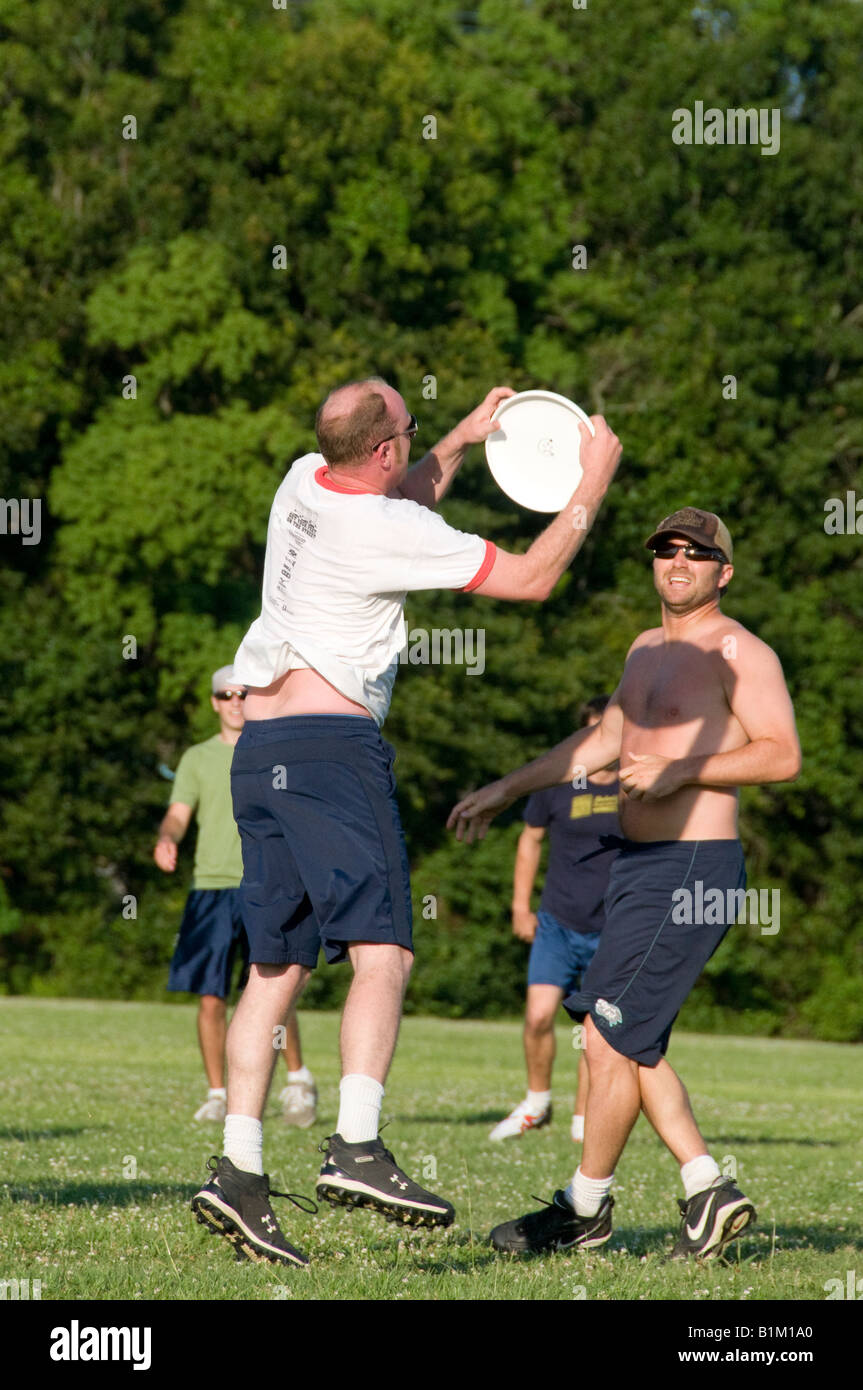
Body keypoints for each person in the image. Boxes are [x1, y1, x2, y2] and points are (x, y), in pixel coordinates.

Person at [190, 377, 622, 1267]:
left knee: (273, 968)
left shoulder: (303, 478)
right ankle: (354, 1145)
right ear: (383, 449)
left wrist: (460, 440)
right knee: (383, 953)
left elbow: (400, 494)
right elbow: (534, 578)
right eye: (411, 433)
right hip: (329, 751)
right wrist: (592, 479)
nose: (415, 447)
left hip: (257, 755)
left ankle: (237, 1170)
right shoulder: (389, 528)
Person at [449, 508, 801, 1260]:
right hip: (635, 867)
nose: (677, 562)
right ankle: (706, 1189)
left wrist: (680, 768)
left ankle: (585, 1209)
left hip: (692, 866)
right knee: (619, 1037)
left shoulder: (740, 650)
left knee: (609, 1031)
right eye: (666, 551)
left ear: (722, 571)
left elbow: (779, 755)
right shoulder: (643, 650)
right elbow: (601, 742)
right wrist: (507, 788)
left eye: (695, 553)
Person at [155, 666, 316, 1127]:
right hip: (211, 887)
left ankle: (298, 1081)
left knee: (271, 990)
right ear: (214, 702)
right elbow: (178, 815)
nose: (235, 701)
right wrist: (167, 838)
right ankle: (218, 1093)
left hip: (266, 883)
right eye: (226, 695)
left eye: (243, 693)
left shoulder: (274, 752)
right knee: (211, 997)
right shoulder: (197, 758)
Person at [490, 695, 620, 1143]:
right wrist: (519, 906)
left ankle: (584, 1122)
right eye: (592, 730)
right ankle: (537, 1102)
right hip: (558, 922)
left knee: (595, 1030)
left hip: (614, 925)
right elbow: (530, 840)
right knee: (539, 1015)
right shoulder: (558, 782)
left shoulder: (636, 784)